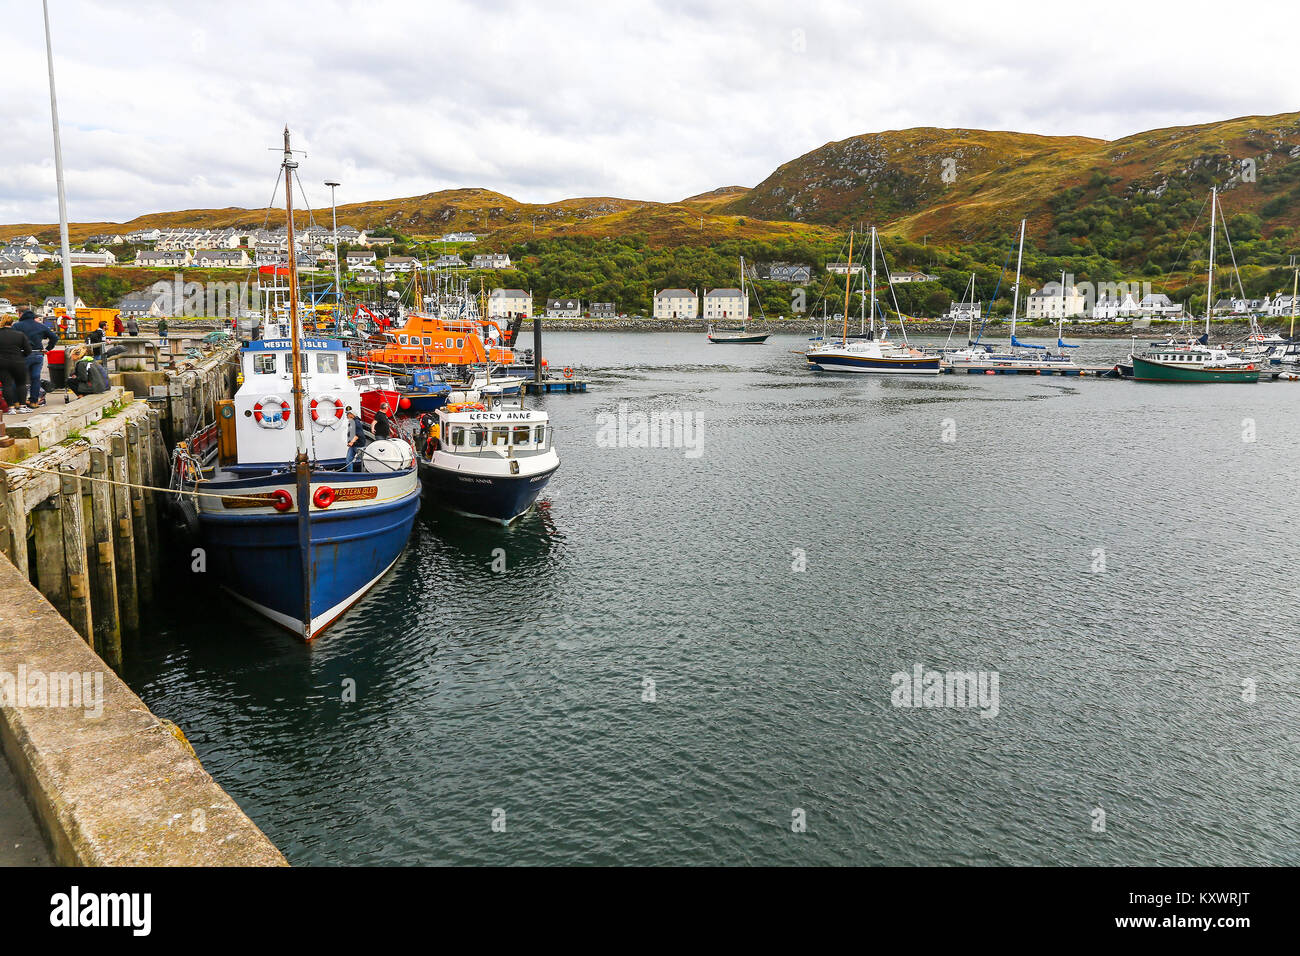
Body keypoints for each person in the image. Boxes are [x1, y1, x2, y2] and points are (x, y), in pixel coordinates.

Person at [15, 309, 57, 406]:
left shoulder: (17, 326)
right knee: (35, 378)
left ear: (22, 316)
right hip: (38, 354)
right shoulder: (40, 326)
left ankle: (17, 401)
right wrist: (48, 349)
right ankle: (34, 401)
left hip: (23, 354)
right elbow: (54, 337)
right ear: (33, 317)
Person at [0, 315, 33, 412]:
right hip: (18, 361)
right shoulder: (20, 334)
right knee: (21, 384)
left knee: (6, 385)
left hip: (2, 362)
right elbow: (28, 350)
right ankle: (22, 406)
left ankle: (11, 408)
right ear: (11, 323)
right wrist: (20, 355)